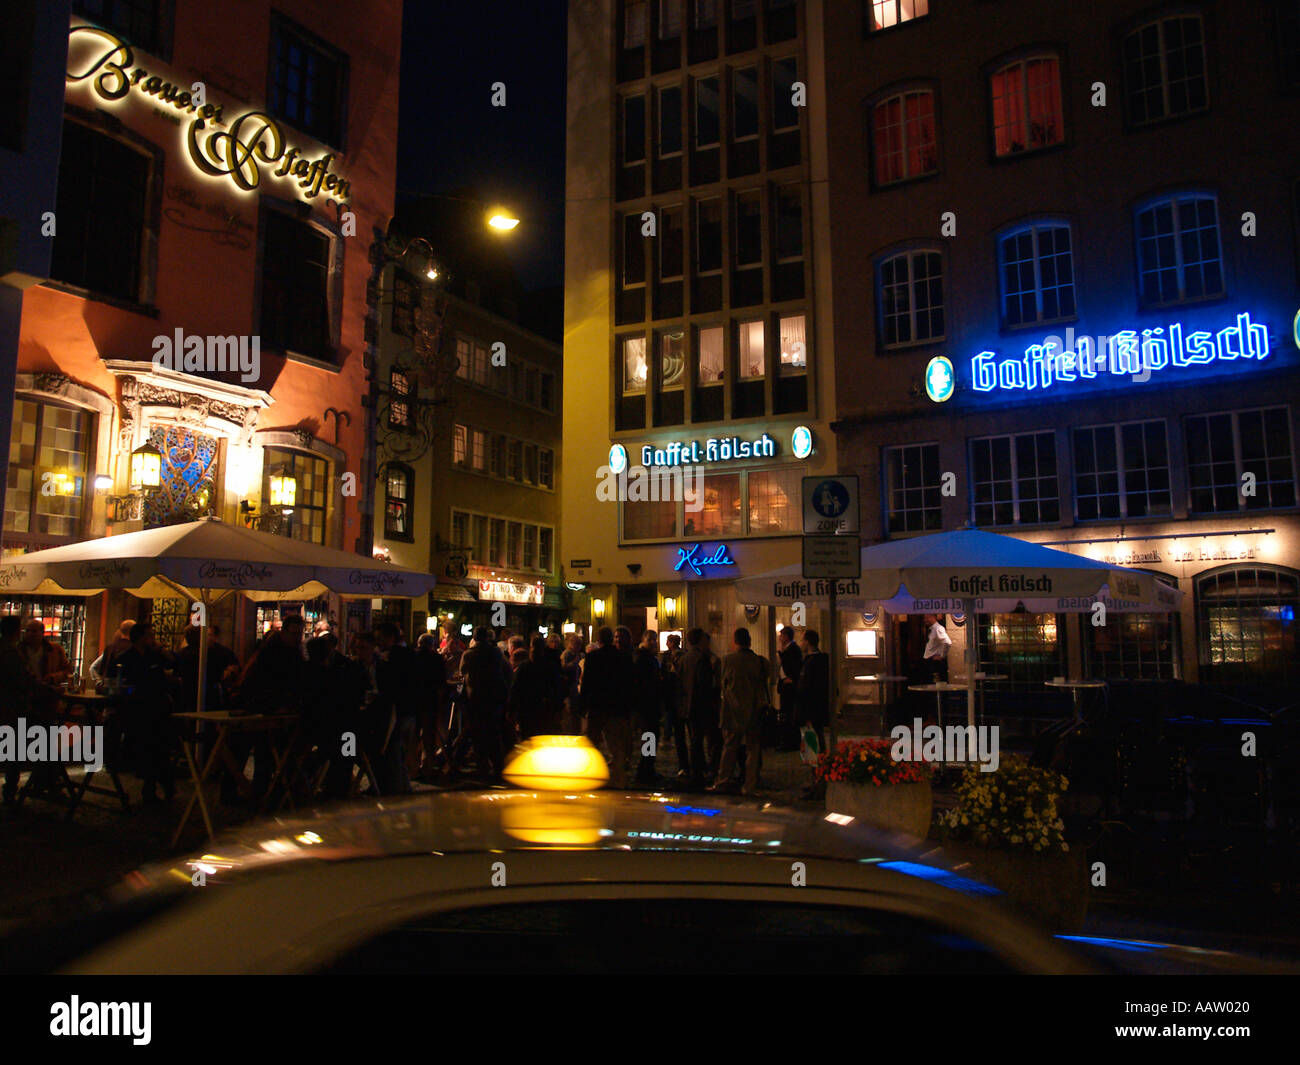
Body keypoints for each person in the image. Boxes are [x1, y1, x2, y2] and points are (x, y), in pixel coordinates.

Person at [110, 621, 176, 803]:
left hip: (158, 710)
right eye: (149, 635)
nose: (153, 638)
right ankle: (152, 786)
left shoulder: (154, 657)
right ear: (140, 638)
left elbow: (173, 664)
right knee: (147, 751)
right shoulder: (125, 659)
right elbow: (119, 683)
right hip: (139, 711)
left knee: (159, 750)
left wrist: (162, 650)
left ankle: (160, 785)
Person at [711, 628, 770, 795]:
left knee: (729, 748)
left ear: (735, 641)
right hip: (753, 710)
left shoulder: (726, 661)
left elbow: (721, 684)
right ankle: (749, 785)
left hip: (732, 711)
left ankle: (722, 781)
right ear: (749, 641)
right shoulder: (760, 662)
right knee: (753, 749)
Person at [579, 626, 634, 787]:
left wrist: (582, 705)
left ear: (599, 640)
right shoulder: (623, 657)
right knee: (616, 746)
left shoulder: (593, 657)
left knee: (593, 742)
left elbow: (587, 683)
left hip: (597, 706)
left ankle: (592, 775)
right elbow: (628, 684)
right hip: (616, 707)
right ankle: (618, 778)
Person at [1, 615, 44, 805]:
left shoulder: (8, 650)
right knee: (14, 752)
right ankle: (10, 792)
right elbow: (24, 679)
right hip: (12, 707)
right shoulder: (12, 653)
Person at [459, 626, 511, 780]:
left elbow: (462, 671)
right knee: (493, 733)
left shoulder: (469, 654)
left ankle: (482, 767)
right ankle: (498, 766)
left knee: (478, 734)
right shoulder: (496, 652)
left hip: (476, 697)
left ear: (474, 638)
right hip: (494, 697)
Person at [375, 620, 419, 792]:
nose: (378, 642)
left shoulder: (392, 656)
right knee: (401, 751)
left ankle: (396, 787)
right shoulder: (409, 653)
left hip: (397, 710)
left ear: (390, 638)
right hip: (410, 709)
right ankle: (402, 785)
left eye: (380, 638)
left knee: (393, 750)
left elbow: (391, 684)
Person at [680, 628, 722, 788]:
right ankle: (706, 770)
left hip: (688, 706)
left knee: (695, 741)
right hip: (702, 705)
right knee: (710, 739)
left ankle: (695, 771)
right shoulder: (702, 658)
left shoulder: (684, 658)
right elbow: (705, 684)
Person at [509, 635, 566, 740]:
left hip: (526, 709)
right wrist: (557, 707)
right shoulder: (551, 667)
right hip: (545, 709)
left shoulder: (524, 667)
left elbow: (515, 689)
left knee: (527, 740)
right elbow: (557, 688)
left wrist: (512, 710)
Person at [415, 632, 449, 779]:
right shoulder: (437, 658)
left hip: (415, 700)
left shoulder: (413, 657)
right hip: (431, 700)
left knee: (414, 735)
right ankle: (428, 764)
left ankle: (413, 766)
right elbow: (442, 682)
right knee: (429, 735)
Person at [632, 630, 662, 785]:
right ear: (643, 640)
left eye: (654, 639)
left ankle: (647, 766)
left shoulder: (647, 658)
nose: (652, 642)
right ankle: (645, 768)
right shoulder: (643, 658)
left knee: (650, 736)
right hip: (647, 704)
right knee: (649, 736)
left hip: (649, 703)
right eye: (650, 639)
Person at [798, 629, 830, 757]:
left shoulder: (812, 661)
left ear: (807, 642)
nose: (801, 643)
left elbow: (808, 685)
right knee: (818, 731)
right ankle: (818, 755)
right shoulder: (822, 659)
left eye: (802, 640)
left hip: (811, 704)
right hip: (818, 703)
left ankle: (814, 757)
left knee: (812, 730)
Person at [659, 633, 685, 776]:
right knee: (649, 733)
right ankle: (647, 761)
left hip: (671, 696)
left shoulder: (674, 656)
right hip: (668, 696)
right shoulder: (667, 656)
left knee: (649, 733)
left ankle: (647, 762)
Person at [21, 620, 73, 691]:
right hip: (26, 692)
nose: (30, 634)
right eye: (27, 630)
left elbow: (68, 670)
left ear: (42, 633)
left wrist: (53, 678)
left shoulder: (55, 650)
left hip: (48, 692)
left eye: (34, 631)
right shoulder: (19, 650)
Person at [775, 625, 803, 751]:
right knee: (786, 714)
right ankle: (787, 741)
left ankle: (790, 742)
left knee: (789, 714)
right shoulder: (787, 649)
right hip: (786, 685)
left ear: (786, 636)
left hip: (789, 686)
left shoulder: (793, 649)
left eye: (781, 635)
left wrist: (790, 678)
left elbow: (793, 666)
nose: (780, 638)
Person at [90, 619, 135, 685]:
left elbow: (100, 669)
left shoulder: (110, 648)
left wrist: (100, 681)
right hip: (126, 687)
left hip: (108, 686)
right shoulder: (133, 649)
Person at [921, 613, 952, 683]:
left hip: (935, 663)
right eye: (924, 618)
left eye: (927, 618)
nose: (925, 620)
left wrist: (941, 656)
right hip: (930, 662)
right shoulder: (932, 629)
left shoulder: (938, 628)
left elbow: (947, 642)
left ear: (933, 617)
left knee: (936, 685)